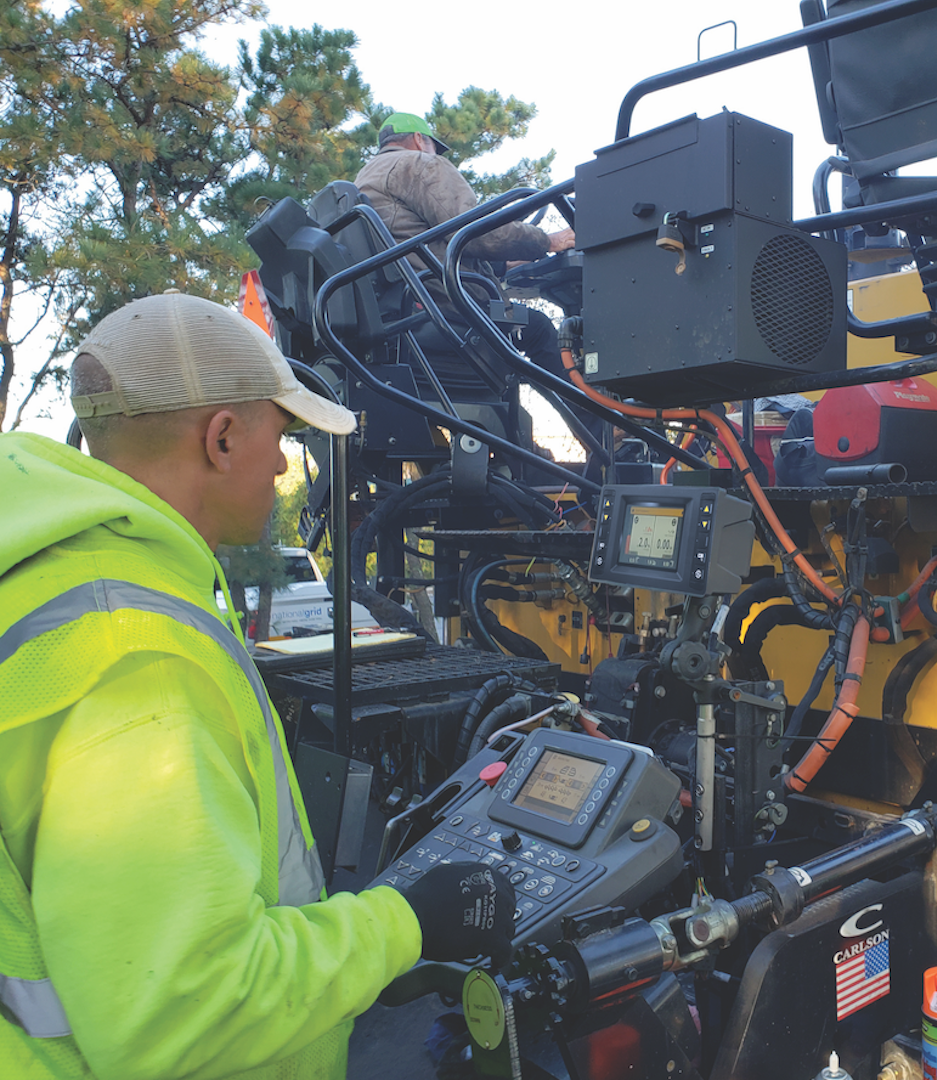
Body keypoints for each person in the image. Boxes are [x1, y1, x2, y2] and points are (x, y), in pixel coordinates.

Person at [0, 292, 514, 1079]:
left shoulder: (52, 575)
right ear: (224, 437)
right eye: (281, 435)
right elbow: (190, 1011)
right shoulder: (140, 661)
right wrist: (405, 922)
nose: (282, 466)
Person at [355, 111, 573, 381]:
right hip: (446, 306)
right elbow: (477, 234)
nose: (437, 154)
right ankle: (598, 423)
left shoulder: (361, 183)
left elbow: (420, 241)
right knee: (538, 328)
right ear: (419, 139)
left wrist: (504, 264)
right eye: (435, 146)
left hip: (405, 305)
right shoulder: (420, 165)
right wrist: (549, 241)